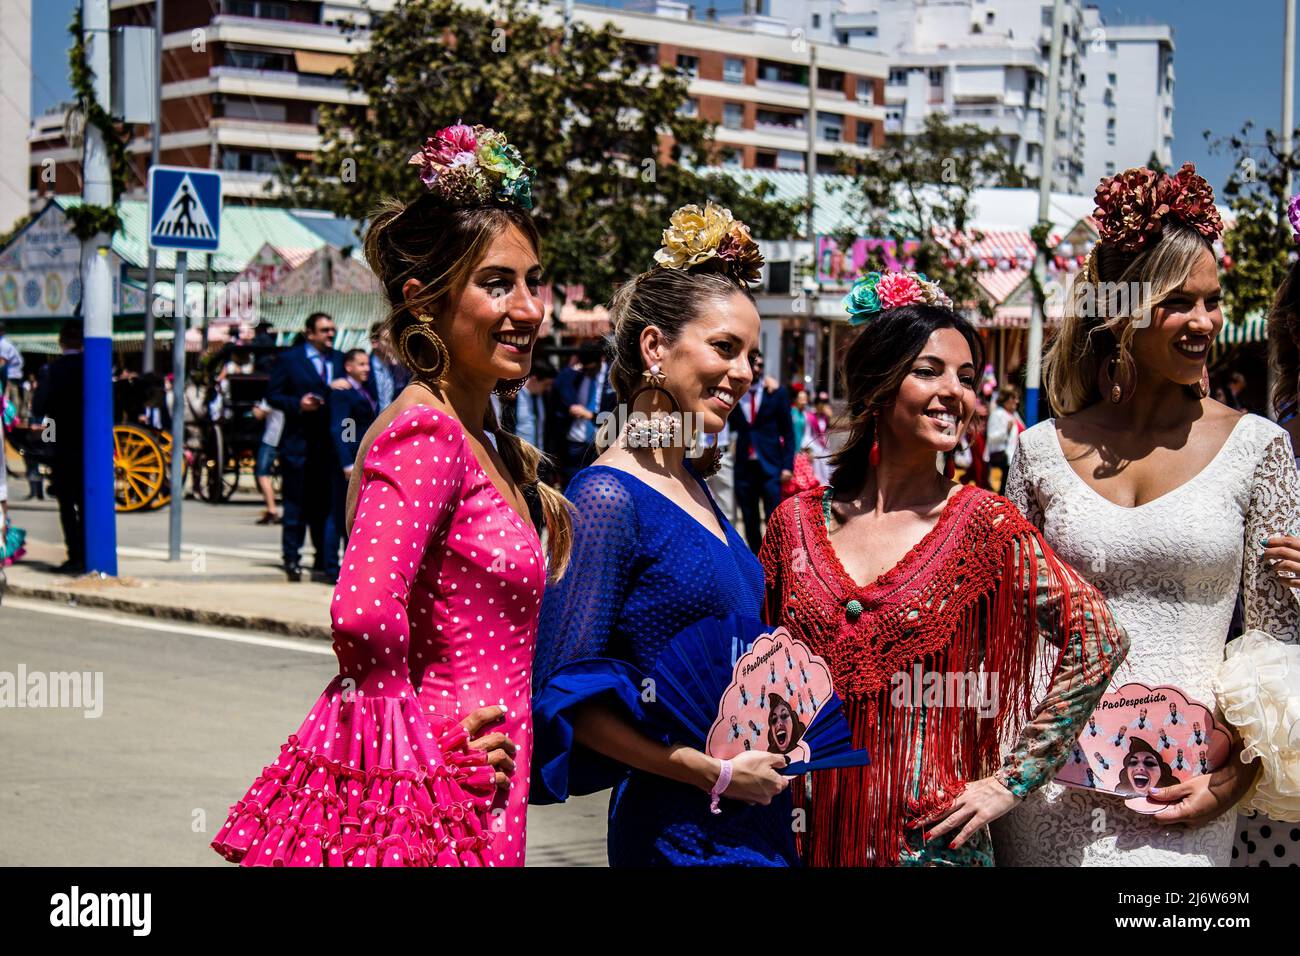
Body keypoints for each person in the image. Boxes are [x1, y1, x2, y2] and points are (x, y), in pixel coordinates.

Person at [212, 123, 572, 867]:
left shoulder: (482, 439)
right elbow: (362, 613)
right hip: (446, 795)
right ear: (424, 300)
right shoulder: (428, 435)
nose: (531, 308)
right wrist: (431, 749)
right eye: (497, 283)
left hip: (474, 784)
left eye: (534, 281)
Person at [759, 271, 1129, 867]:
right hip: (802, 836)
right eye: (929, 370)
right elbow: (759, 677)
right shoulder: (793, 527)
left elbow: (1098, 638)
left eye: (967, 377)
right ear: (877, 383)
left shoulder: (986, 525)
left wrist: (1012, 780)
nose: (955, 392)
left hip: (930, 847)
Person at [992, 163, 1300, 867]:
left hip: (1182, 788)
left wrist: (1233, 781)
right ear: (1125, 308)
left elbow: (1278, 648)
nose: (1204, 324)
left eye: (1212, 301)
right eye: (1178, 303)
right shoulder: (1037, 451)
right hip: (1046, 784)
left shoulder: (1261, 449)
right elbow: (1007, 628)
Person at [532, 202, 799, 866]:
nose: (743, 373)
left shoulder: (697, 487)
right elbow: (564, 693)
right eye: (725, 348)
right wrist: (708, 773)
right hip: (678, 834)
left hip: (755, 818)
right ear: (655, 347)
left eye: (752, 356)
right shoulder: (603, 497)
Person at [267, 312, 349, 583]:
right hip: (298, 443)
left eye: (332, 330)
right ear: (310, 333)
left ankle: (321, 558)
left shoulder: (339, 360)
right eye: (324, 330)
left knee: (324, 505)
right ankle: (291, 558)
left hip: (328, 447)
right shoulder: (290, 360)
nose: (330, 334)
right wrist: (298, 404)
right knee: (296, 505)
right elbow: (273, 395)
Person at [31, 322, 85, 574]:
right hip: (89, 444)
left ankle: (74, 555)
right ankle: (88, 552)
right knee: (87, 503)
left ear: (61, 343)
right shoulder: (93, 367)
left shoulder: (51, 370)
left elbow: (39, 407)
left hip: (62, 443)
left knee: (66, 504)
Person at [730, 349, 795, 552]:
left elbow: (788, 433)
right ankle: (757, 561)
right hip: (744, 467)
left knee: (773, 516)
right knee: (749, 518)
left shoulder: (776, 393)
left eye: (760, 366)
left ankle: (775, 558)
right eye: (753, 364)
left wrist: (787, 466)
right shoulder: (735, 392)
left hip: (770, 466)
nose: (757, 369)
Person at [328, 348, 378, 546]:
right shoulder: (345, 393)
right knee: (340, 512)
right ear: (348, 367)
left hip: (363, 457)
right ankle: (331, 565)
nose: (367, 368)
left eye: (367, 364)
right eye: (361, 364)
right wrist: (347, 461)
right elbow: (343, 428)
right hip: (349, 460)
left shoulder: (365, 389)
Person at [554, 342, 616, 489]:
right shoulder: (574, 377)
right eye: (585, 368)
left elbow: (617, 416)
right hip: (576, 441)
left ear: (601, 360)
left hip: (600, 443)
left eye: (591, 368)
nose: (588, 372)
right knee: (572, 485)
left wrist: (591, 415)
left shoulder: (613, 380)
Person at [984, 386, 1022, 493]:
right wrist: (1006, 431)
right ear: (1006, 399)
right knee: (1004, 489)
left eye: (1017, 398)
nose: (1017, 401)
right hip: (1003, 456)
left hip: (1013, 456)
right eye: (1014, 398)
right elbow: (991, 437)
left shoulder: (1014, 414)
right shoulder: (998, 414)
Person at [366, 320, 410, 412]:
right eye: (387, 341)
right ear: (375, 342)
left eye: (394, 341)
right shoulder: (364, 367)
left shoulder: (401, 368)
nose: (392, 345)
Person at [0, 321, 24, 408]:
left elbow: (2, 362)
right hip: (9, 372)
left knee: (11, 396)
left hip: (12, 373)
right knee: (8, 396)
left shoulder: (3, 344)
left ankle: (13, 419)